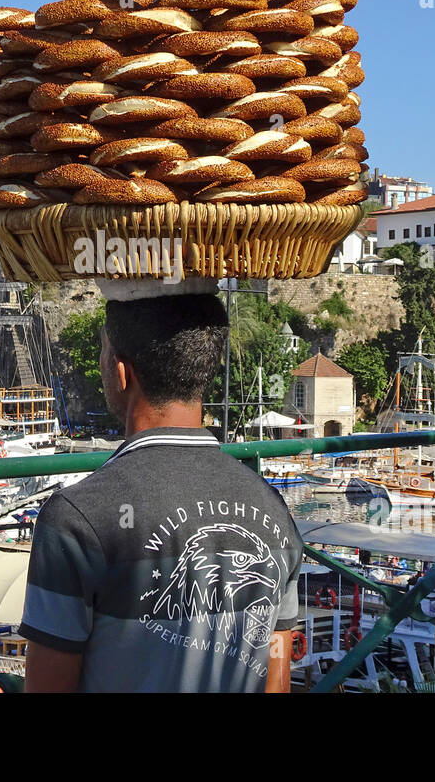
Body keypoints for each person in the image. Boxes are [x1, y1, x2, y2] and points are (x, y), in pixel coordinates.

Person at [20, 292, 303, 692]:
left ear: (121, 372)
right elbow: (276, 682)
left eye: (104, 351)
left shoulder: (75, 519)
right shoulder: (275, 510)